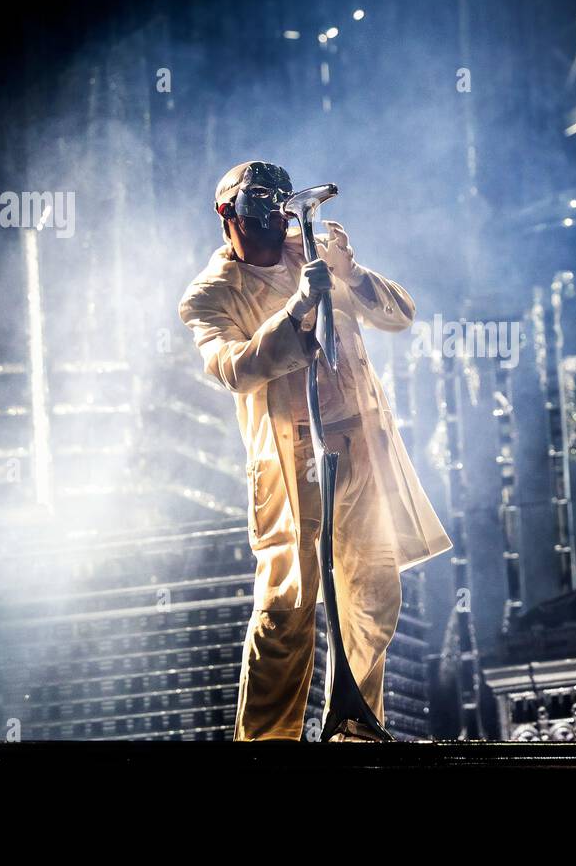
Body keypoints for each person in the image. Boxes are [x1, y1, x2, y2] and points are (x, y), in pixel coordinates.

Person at [177, 160, 451, 740]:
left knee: (373, 593)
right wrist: (298, 307)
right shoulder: (210, 295)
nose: (276, 223)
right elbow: (236, 367)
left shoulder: (317, 252)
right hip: (293, 464)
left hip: (359, 451)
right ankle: (267, 745)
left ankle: (352, 728)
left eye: (281, 207)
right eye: (260, 210)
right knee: (287, 610)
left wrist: (351, 274)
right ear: (228, 215)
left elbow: (399, 316)